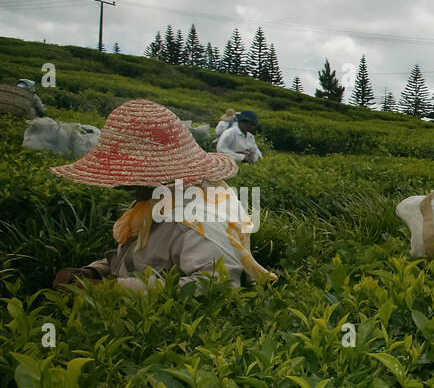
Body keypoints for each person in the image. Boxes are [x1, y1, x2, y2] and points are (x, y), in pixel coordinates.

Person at [48, 99, 277, 291]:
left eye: (130, 177)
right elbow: (135, 260)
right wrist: (93, 272)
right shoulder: (150, 206)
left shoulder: (193, 222)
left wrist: (112, 289)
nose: (121, 185)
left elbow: (216, 284)